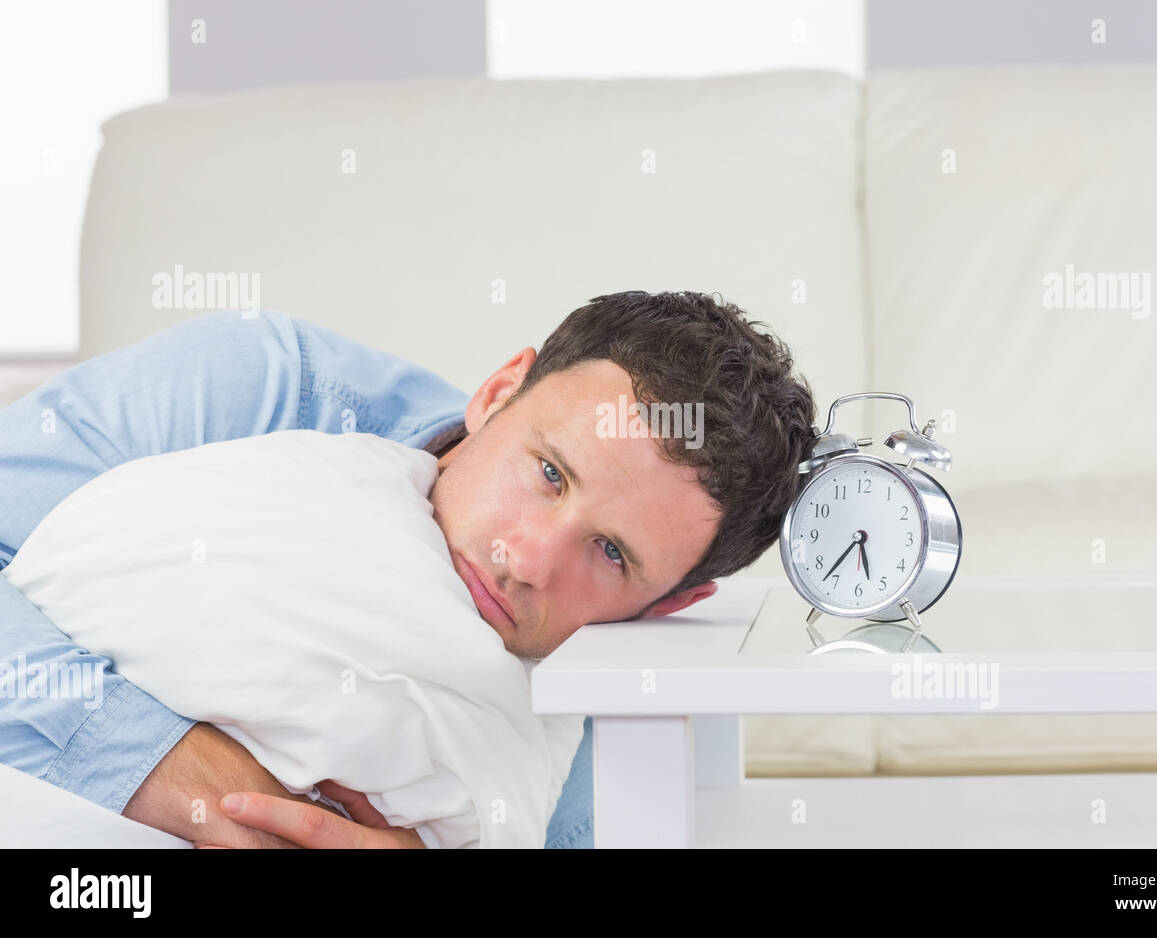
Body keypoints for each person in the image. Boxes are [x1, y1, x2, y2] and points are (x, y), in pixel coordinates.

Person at [0, 290, 816, 848]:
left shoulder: (599, 748)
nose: (525, 559)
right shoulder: (262, 383)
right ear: (498, 393)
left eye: (610, 554)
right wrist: (186, 777)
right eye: (549, 474)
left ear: (674, 602)